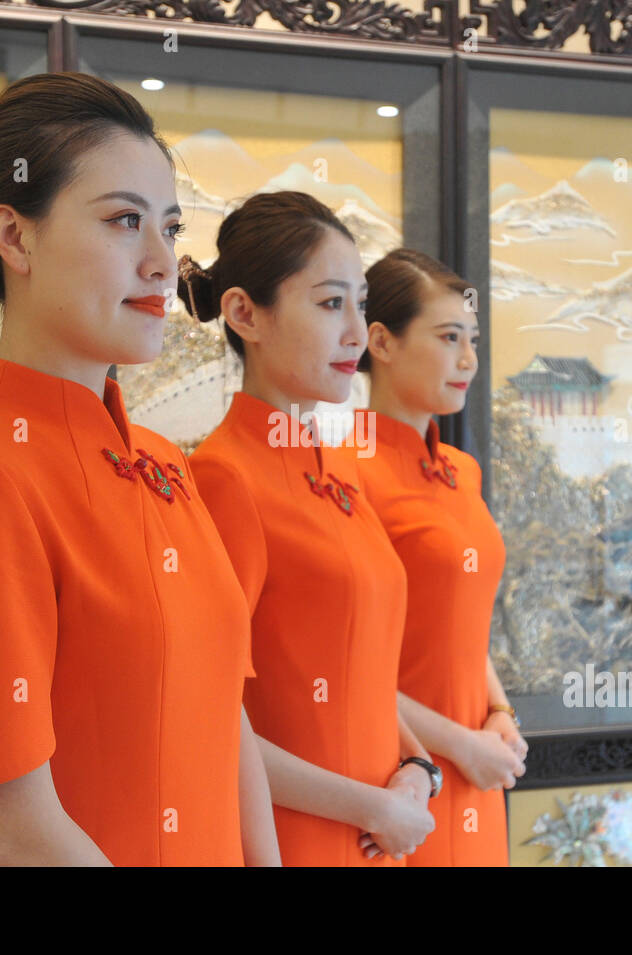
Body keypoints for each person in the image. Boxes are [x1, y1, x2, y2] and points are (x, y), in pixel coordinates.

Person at [0, 72, 278, 866]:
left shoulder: (167, 466)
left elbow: (225, 722)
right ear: (16, 236)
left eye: (169, 228)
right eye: (123, 222)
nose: (163, 262)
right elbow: (13, 836)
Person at [178, 191, 436, 866]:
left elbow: (369, 678)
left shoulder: (337, 470)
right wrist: (373, 805)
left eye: (360, 303)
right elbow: (211, 715)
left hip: (386, 830)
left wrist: (418, 770)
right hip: (297, 841)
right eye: (330, 304)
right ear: (244, 313)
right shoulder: (225, 477)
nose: (357, 333)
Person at [356, 248, 527, 866]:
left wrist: (500, 710)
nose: (468, 359)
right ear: (381, 340)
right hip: (403, 773)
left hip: (479, 764)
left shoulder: (463, 472)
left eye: (473, 339)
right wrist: (459, 745)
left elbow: (462, 622)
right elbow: (343, 664)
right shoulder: (339, 475)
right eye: (448, 336)